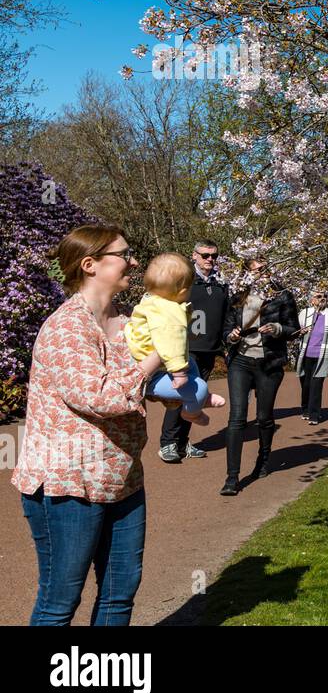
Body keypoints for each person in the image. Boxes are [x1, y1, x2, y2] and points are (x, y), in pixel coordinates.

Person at [12, 225, 168, 624]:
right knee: (60, 600)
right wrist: (156, 358)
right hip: (69, 483)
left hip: (122, 477)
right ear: (90, 265)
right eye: (125, 253)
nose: (134, 261)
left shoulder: (129, 322)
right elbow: (99, 398)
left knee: (119, 594)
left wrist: (181, 391)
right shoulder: (67, 328)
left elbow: (138, 386)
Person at [219, 258, 300, 496]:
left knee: (264, 417)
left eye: (264, 269)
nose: (261, 274)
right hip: (240, 361)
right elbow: (225, 329)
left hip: (269, 362)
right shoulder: (237, 296)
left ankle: (263, 461)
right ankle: (232, 478)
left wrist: (277, 330)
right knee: (237, 418)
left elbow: (293, 329)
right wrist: (231, 336)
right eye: (255, 271)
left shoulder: (282, 295)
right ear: (247, 273)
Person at [124, 253, 225, 426]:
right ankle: (191, 412)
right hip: (149, 374)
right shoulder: (169, 311)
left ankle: (201, 399)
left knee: (191, 364)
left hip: (144, 358)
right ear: (183, 291)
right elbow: (171, 341)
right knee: (198, 387)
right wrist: (178, 372)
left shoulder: (152, 300)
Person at [159, 239, 229, 463]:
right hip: (186, 348)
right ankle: (168, 443)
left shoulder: (222, 283)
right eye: (205, 255)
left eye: (214, 256)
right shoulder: (184, 281)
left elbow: (226, 315)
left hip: (210, 348)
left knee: (196, 398)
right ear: (194, 256)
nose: (210, 260)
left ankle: (182, 442)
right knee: (181, 394)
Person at [294, 289, 328, 426]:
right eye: (318, 297)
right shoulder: (305, 313)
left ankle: (314, 414)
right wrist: (301, 332)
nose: (322, 299)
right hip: (306, 355)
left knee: (316, 385)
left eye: (324, 297)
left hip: (323, 356)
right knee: (306, 384)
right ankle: (305, 409)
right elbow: (294, 332)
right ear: (312, 300)